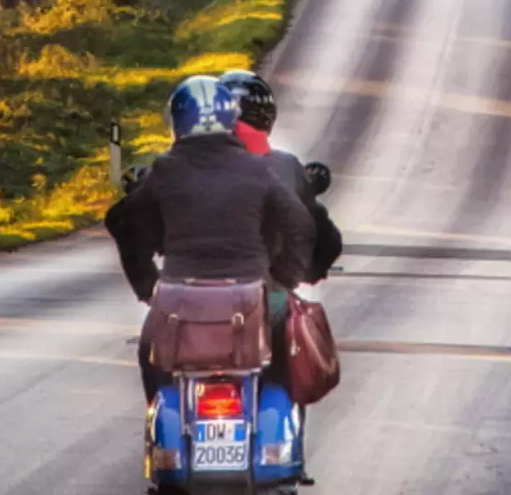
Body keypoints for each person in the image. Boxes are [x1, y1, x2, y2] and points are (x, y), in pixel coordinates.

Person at [105, 74, 314, 401]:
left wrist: (148, 286)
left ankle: (160, 433)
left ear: (177, 123)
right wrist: (284, 277)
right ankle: (276, 429)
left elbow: (121, 221)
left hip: (180, 300)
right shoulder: (256, 169)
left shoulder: (164, 171)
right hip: (251, 296)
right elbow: (300, 223)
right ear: (231, 120)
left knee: (150, 352)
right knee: (281, 359)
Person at [219, 70, 343, 283]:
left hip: (184, 291)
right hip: (261, 286)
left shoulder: (178, 166)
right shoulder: (285, 166)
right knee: (302, 313)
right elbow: (323, 239)